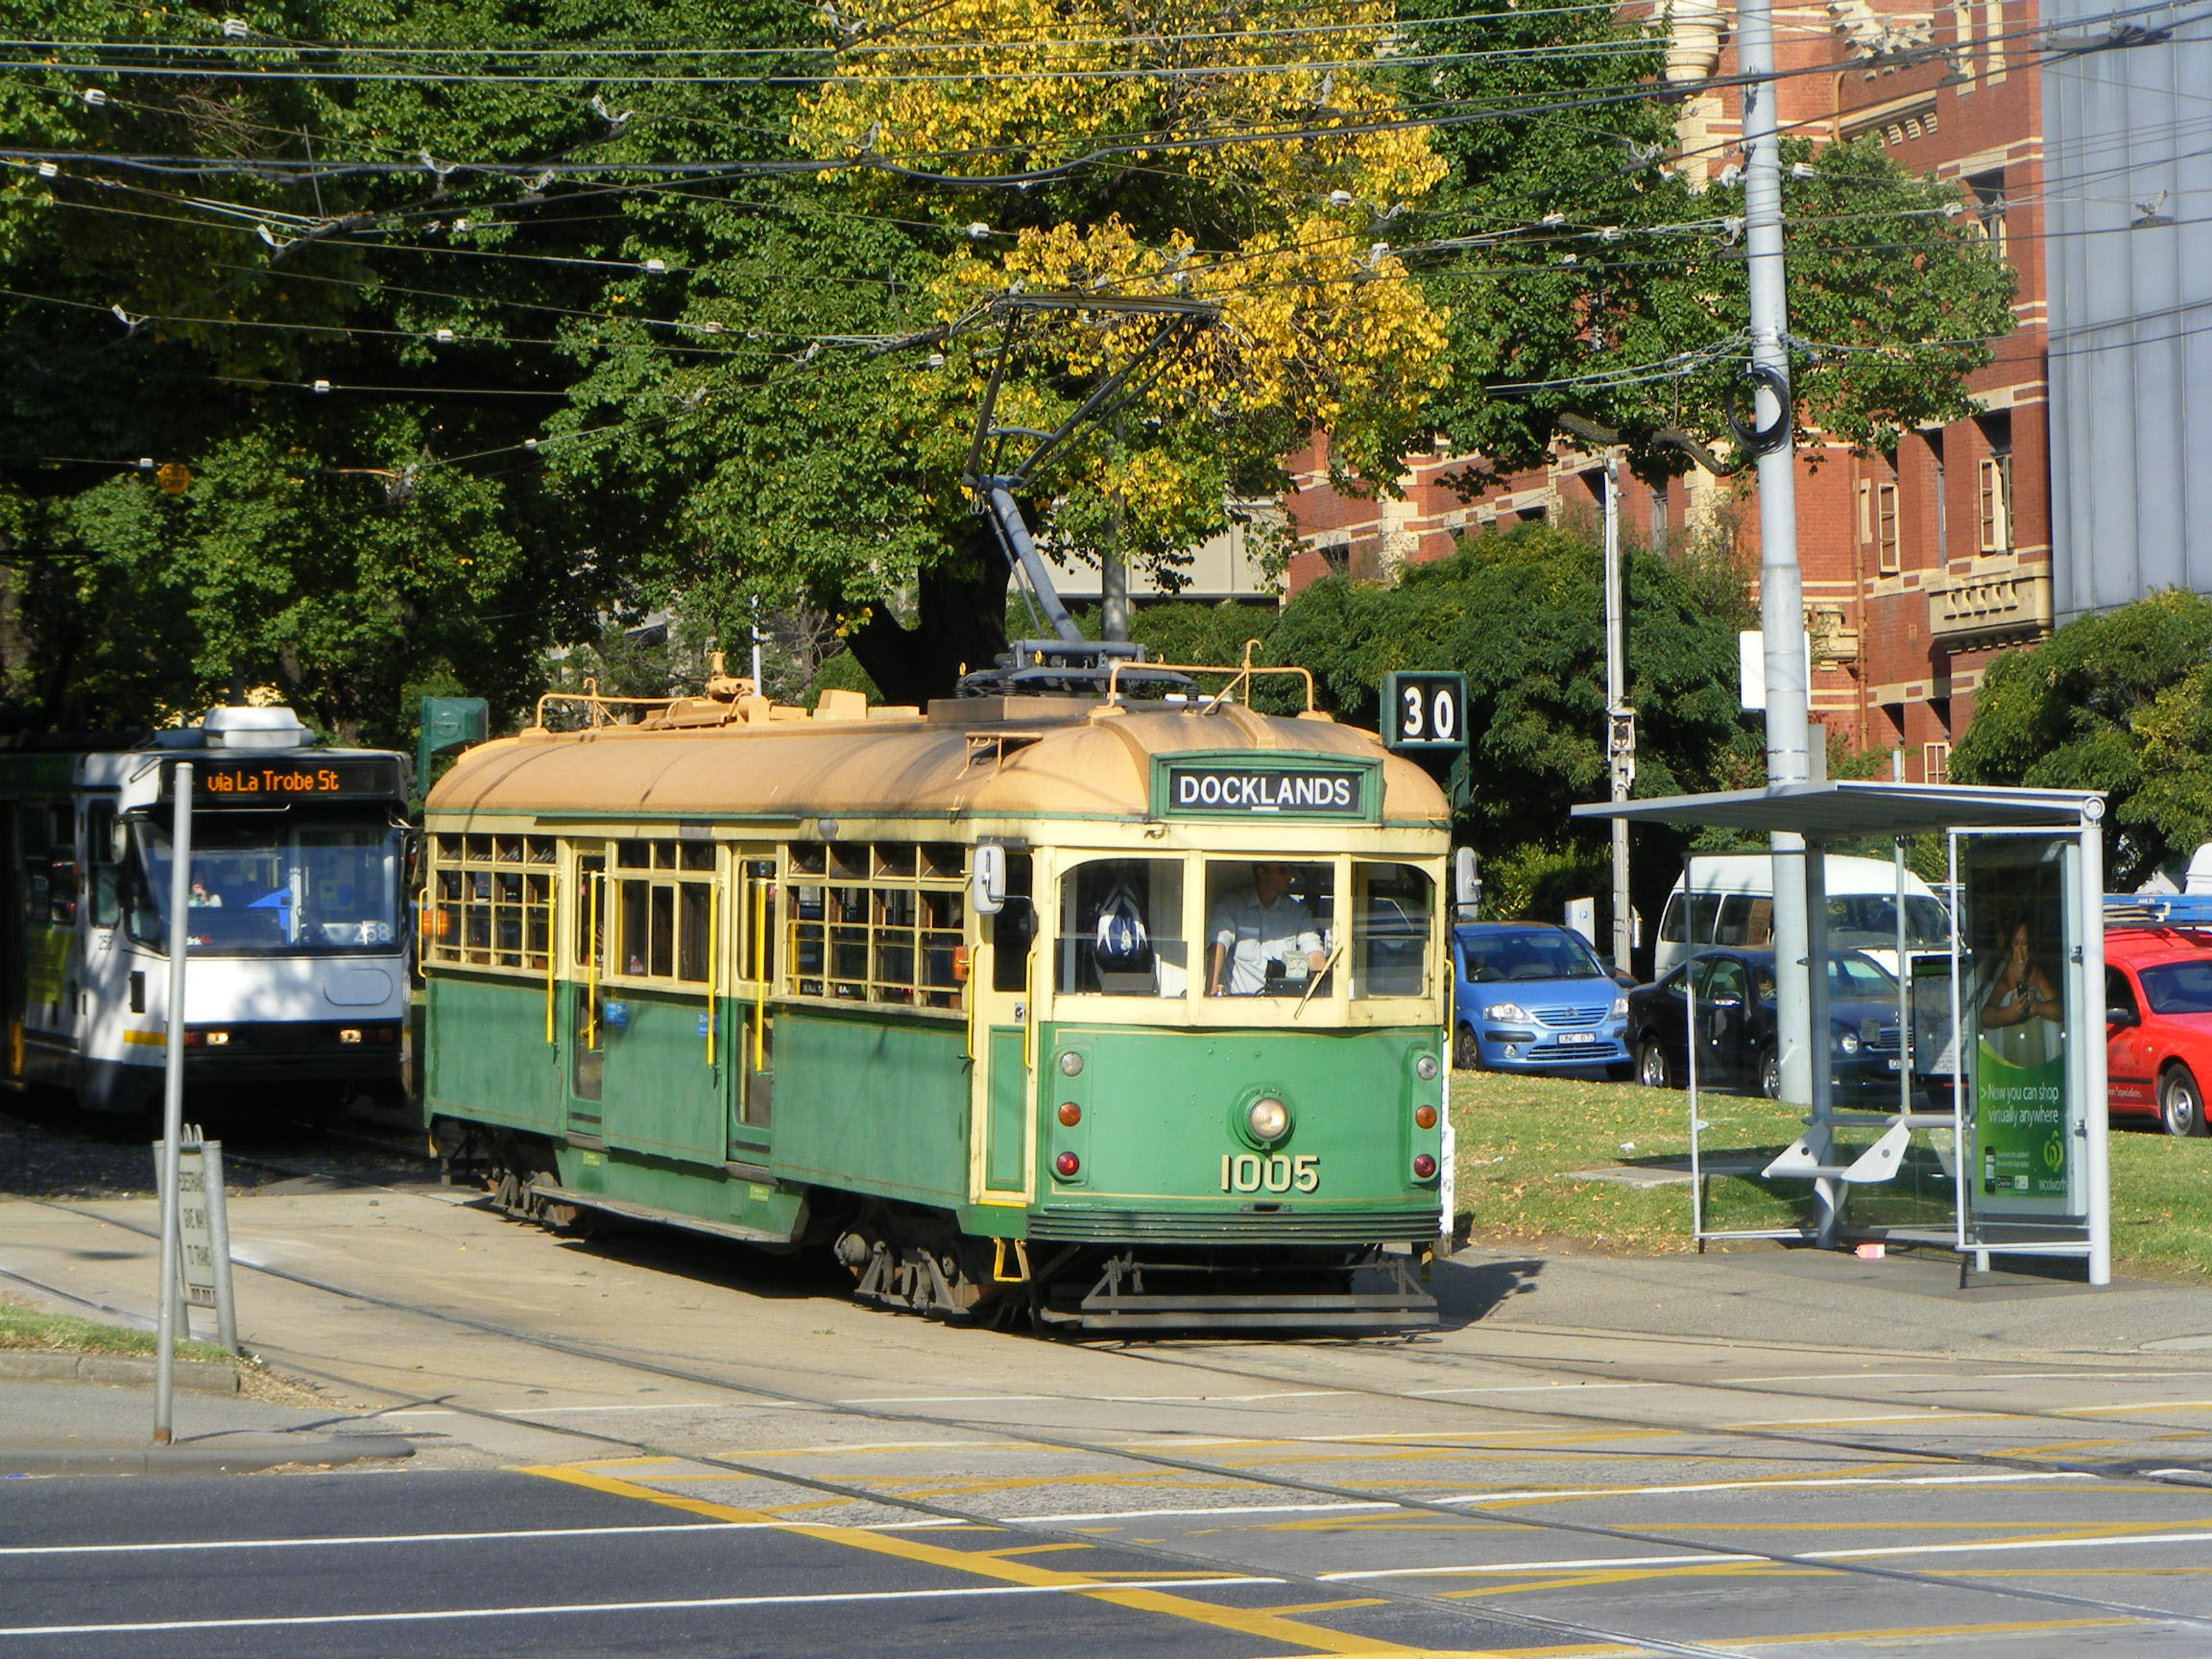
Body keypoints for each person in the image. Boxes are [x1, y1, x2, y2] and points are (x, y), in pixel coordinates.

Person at [1207, 861, 1326, 996]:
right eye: (1282, 870)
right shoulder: (1230, 907)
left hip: (1284, 1005)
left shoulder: (1297, 913)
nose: (1290, 876)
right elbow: (1218, 946)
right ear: (1261, 872)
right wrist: (1211, 992)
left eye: (1291, 870)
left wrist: (1320, 994)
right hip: (1239, 1004)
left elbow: (1314, 952)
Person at [1979, 915, 2060, 1066]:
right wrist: (2009, 1013)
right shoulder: (2004, 975)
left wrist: (2037, 1008)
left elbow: (2059, 1011)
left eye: (2024, 943)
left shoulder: (2035, 972)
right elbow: (1986, 1017)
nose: (2021, 952)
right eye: (2016, 944)